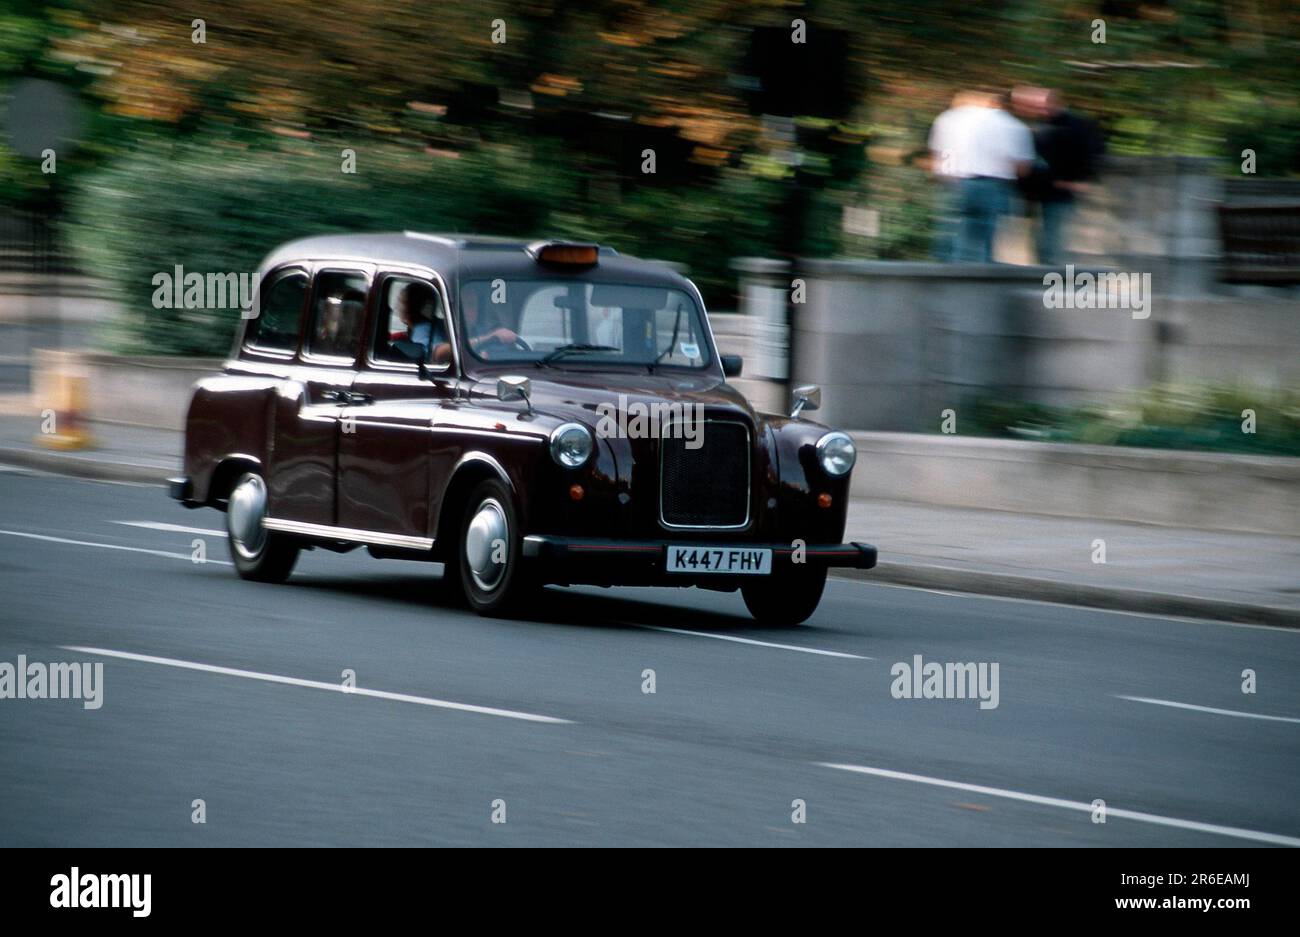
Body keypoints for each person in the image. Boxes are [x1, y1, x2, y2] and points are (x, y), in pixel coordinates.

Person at [931, 90, 1035, 262]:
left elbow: (942, 155)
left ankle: (949, 272)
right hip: (994, 185)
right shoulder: (1011, 124)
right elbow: (1022, 166)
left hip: (956, 183)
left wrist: (947, 175)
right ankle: (977, 276)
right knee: (983, 235)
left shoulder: (948, 119)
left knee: (952, 230)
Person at [1011, 86, 1105, 265]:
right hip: (1033, 190)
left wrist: (1082, 180)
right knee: (1037, 239)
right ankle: (1040, 271)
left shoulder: (1078, 125)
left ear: (1055, 103)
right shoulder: (1036, 125)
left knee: (1052, 238)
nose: (1039, 111)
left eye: (1041, 106)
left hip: (1060, 189)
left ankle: (1047, 275)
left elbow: (1094, 154)